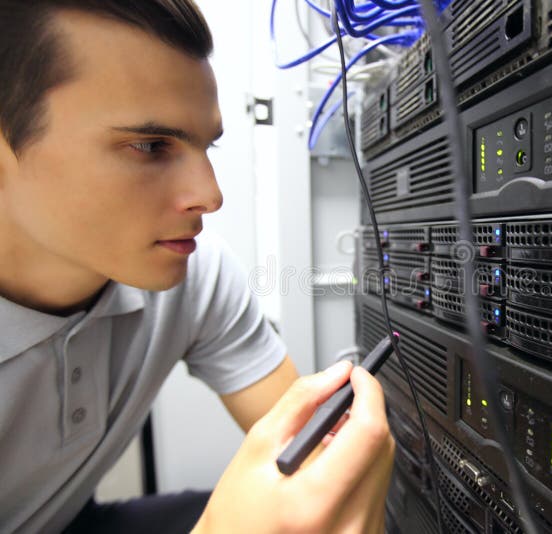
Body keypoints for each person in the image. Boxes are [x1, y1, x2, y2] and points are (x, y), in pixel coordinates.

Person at [0, 1, 395, 532]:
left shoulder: (194, 274)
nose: (210, 196)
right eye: (149, 145)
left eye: (206, 146)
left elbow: (308, 457)